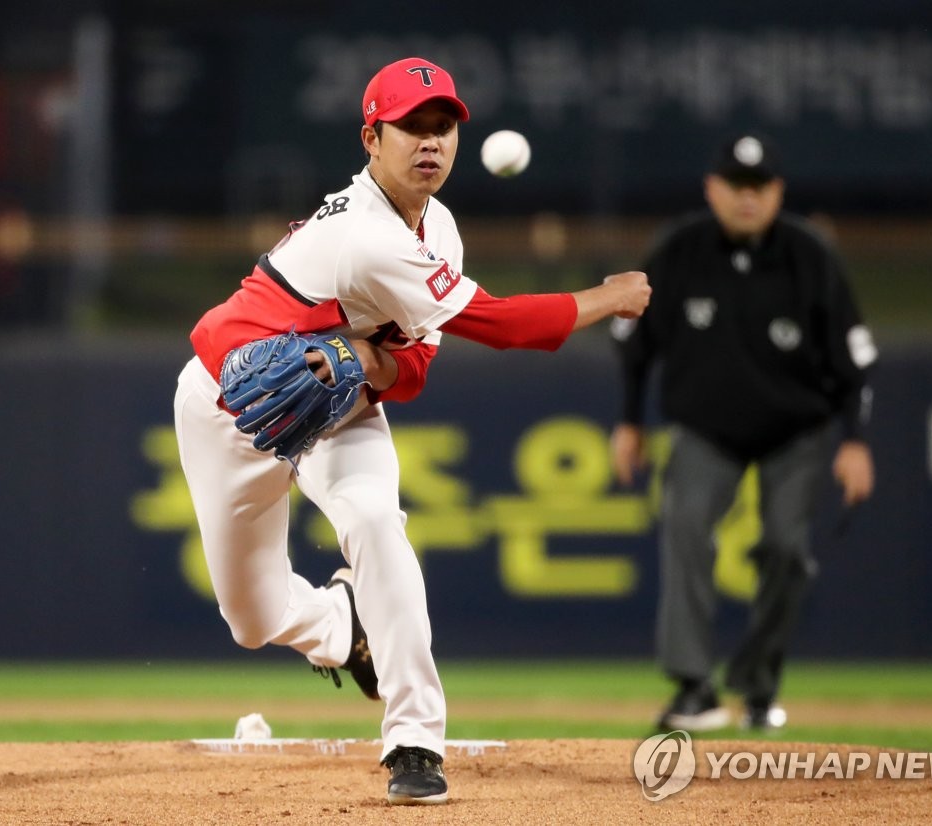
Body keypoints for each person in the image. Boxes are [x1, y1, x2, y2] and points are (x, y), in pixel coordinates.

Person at [173, 56, 650, 806]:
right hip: (225, 405)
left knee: (374, 520)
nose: (432, 142)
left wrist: (364, 359)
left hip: (340, 405)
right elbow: (501, 326)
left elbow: (417, 369)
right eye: (411, 127)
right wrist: (606, 296)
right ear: (372, 137)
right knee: (251, 618)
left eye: (444, 126)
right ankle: (339, 624)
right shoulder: (369, 236)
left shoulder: (439, 229)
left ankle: (415, 739)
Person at [610, 132, 876, 732]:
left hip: (795, 432)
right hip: (707, 430)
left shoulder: (810, 256)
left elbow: (856, 359)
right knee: (684, 524)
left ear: (778, 192)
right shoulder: (681, 250)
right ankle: (694, 686)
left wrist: (855, 440)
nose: (748, 198)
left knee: (784, 546)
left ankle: (757, 685)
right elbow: (634, 339)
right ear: (713, 189)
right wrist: (630, 421)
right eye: (736, 185)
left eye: (760, 187)